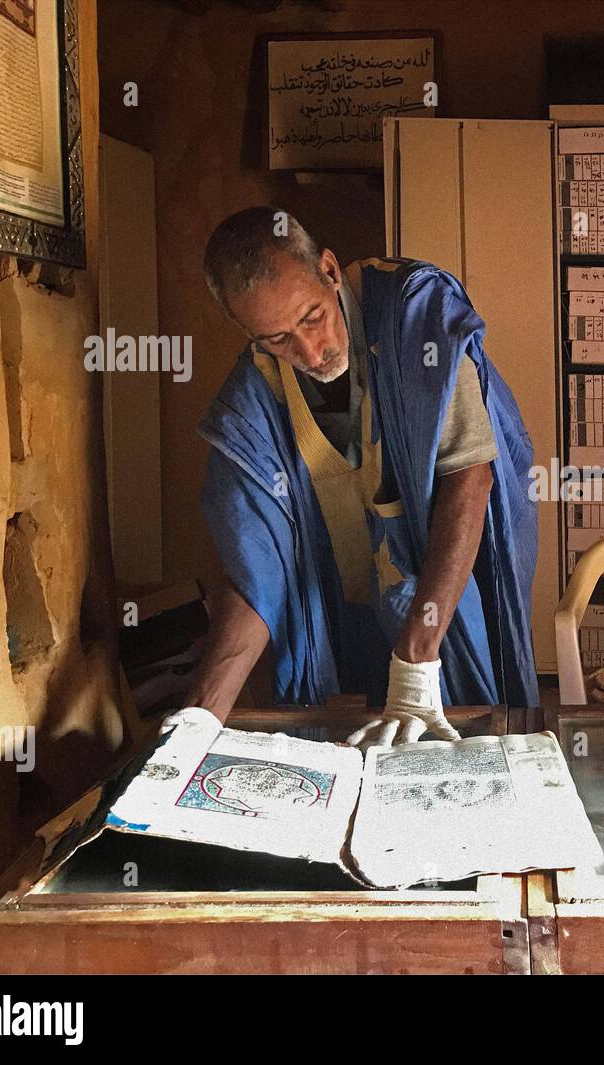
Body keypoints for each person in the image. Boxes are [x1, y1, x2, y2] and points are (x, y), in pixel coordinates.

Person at [175, 207, 538, 747]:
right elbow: (257, 569)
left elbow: (470, 475)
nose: (309, 352)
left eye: (312, 318)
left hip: (446, 584)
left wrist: (417, 661)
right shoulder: (252, 399)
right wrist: (199, 717)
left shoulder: (417, 312)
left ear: (328, 269)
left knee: (465, 742)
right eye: (276, 338)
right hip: (349, 603)